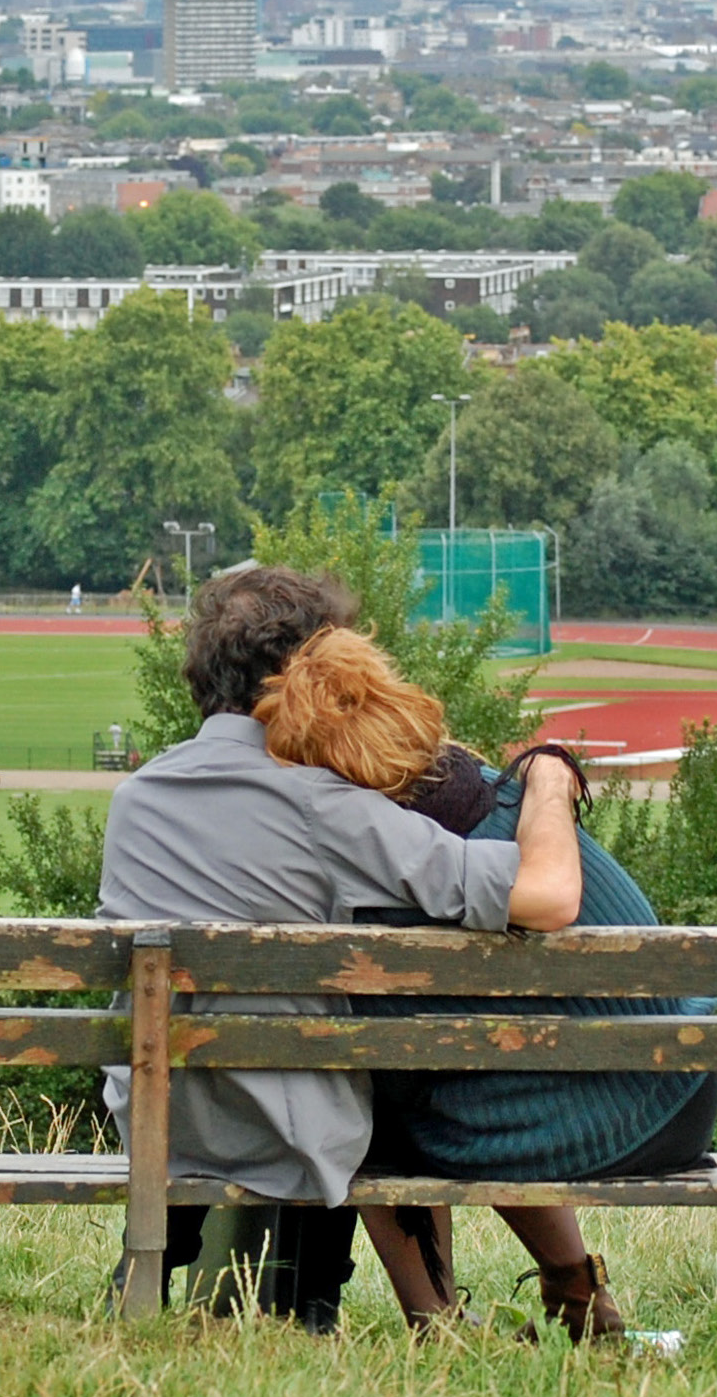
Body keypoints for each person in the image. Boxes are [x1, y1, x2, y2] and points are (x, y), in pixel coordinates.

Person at [96, 566, 582, 1333]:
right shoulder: (326, 804)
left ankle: (173, 1276)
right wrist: (549, 782)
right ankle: (406, 1313)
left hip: (161, 1121)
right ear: (311, 671)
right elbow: (547, 897)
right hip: (292, 1138)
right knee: (384, 1068)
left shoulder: (134, 801)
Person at [254, 626, 717, 1342]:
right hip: (679, 1092)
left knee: (370, 1097)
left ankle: (435, 1319)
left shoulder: (393, 871)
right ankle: (579, 1298)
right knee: (498, 1071)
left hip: (581, 1125)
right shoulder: (511, 802)